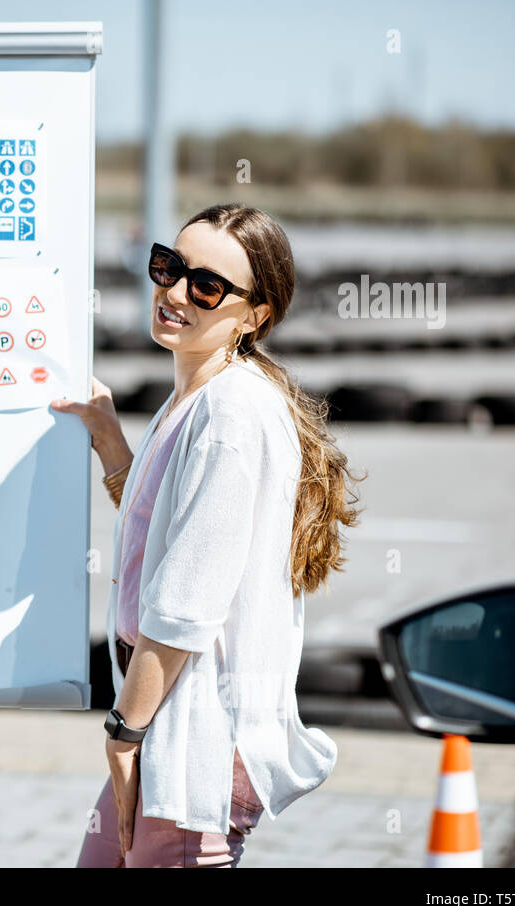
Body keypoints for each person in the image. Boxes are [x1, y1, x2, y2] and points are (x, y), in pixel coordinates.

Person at [53, 203, 362, 867]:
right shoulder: (197, 396)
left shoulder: (232, 412)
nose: (173, 292)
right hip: (165, 717)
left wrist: (124, 731)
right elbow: (162, 533)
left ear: (255, 315)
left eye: (206, 285)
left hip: (194, 736)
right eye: (169, 266)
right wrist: (108, 435)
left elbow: (186, 604)